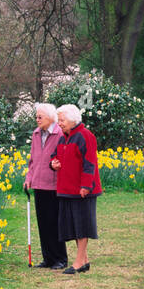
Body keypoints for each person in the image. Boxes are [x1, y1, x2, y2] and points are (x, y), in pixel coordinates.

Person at [49, 104, 101, 275]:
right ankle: (84, 260)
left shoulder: (85, 136)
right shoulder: (63, 137)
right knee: (73, 226)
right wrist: (53, 163)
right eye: (59, 120)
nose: (60, 124)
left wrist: (86, 185)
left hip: (81, 190)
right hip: (66, 188)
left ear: (73, 119)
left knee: (82, 226)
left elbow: (90, 162)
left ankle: (78, 262)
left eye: (62, 120)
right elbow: (55, 156)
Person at [23, 103, 66, 270]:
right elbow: (32, 161)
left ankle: (60, 258)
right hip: (39, 185)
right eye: (36, 116)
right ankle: (47, 258)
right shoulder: (35, 134)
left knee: (54, 223)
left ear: (50, 118)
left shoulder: (59, 134)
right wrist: (29, 178)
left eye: (40, 117)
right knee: (42, 223)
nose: (37, 119)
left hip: (54, 185)